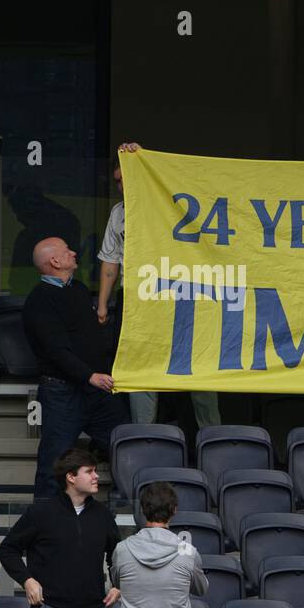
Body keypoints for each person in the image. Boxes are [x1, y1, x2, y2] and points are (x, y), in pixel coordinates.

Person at [100, 142, 222, 431]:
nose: (122, 185)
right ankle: (145, 438)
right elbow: (109, 262)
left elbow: (195, 181)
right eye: (117, 180)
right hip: (139, 303)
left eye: (127, 177)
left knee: (198, 372)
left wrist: (146, 159)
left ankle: (214, 441)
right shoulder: (119, 214)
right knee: (142, 368)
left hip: (183, 299)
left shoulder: (174, 202)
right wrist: (103, 305)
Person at [0, 448, 121, 608]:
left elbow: (117, 555)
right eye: (90, 471)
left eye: (96, 471)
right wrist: (28, 580)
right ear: (71, 477)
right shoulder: (41, 512)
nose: (97, 476)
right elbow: (7, 549)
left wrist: (119, 585)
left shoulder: (103, 514)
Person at [23, 237, 128, 498]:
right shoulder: (39, 301)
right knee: (54, 463)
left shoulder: (79, 289)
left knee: (125, 444)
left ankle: (131, 501)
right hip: (63, 392)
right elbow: (56, 351)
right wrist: (89, 376)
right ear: (55, 262)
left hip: (95, 388)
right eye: (66, 250)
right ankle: (45, 523)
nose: (73, 252)